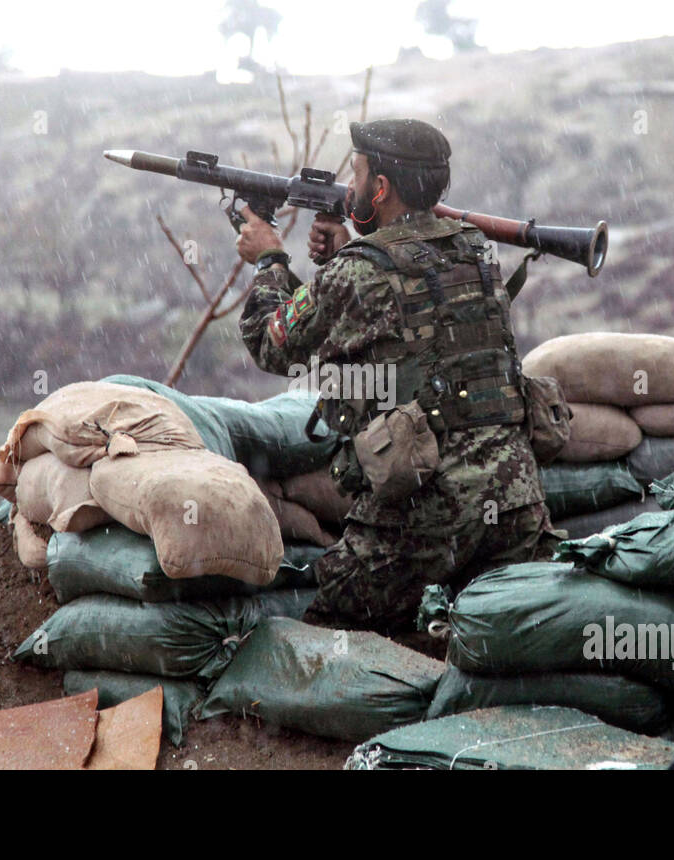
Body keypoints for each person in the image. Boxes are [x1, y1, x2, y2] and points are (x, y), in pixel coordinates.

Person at [236, 117, 559, 635]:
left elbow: (271, 344)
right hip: (515, 503)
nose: (350, 187)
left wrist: (270, 259)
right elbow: (410, 318)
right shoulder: (476, 249)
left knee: (318, 633)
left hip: (421, 517)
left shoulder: (358, 270)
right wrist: (349, 251)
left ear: (380, 187)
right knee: (510, 638)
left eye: (358, 173)